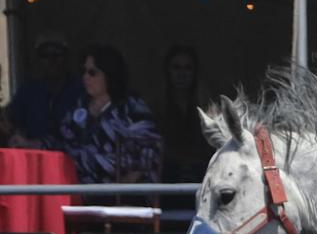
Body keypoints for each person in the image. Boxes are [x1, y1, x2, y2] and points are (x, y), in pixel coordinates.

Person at [42, 44, 162, 183]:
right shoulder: (79, 105)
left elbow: (151, 148)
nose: (85, 77)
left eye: (92, 73)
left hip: (120, 193)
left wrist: (132, 178)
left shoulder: (132, 108)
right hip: (77, 188)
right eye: (84, 71)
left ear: (110, 74)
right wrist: (33, 143)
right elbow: (59, 140)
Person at [5, 30, 85, 144]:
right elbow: (11, 121)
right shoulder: (27, 91)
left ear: (66, 57)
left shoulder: (81, 89)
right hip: (35, 157)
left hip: (73, 156)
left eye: (57, 54)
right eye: (45, 56)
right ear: (38, 60)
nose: (52, 61)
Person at [158, 44, 213, 182]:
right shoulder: (157, 107)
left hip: (200, 177)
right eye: (176, 67)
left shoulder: (207, 108)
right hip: (167, 178)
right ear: (168, 71)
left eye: (187, 68)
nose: (181, 74)